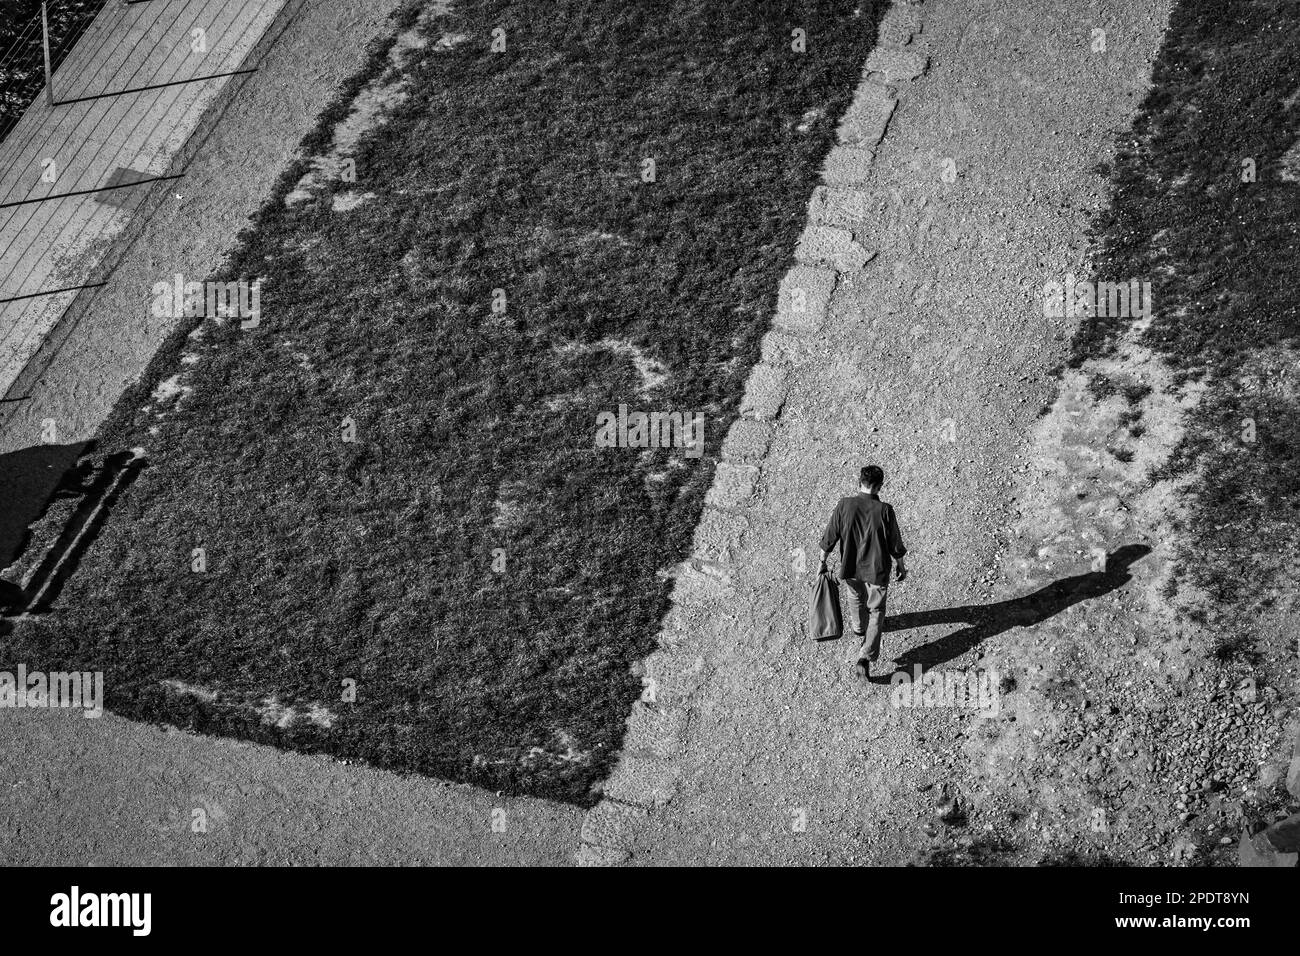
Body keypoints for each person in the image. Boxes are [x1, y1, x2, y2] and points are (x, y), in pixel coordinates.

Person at [818, 465, 908, 680]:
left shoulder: (844, 505)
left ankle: (859, 628)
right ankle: (865, 656)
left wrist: (822, 561)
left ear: (859, 481)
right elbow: (895, 544)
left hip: (850, 567)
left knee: (855, 596)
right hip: (877, 571)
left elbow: (830, 536)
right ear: (880, 486)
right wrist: (901, 565)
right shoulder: (885, 510)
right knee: (876, 611)